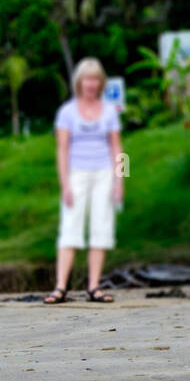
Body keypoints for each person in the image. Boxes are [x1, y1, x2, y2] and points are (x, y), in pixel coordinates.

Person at [46, 57, 122, 304]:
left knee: (101, 228)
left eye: (95, 79)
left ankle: (94, 287)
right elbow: (62, 150)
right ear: (79, 82)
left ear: (100, 83)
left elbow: (117, 148)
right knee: (70, 227)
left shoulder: (109, 112)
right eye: (87, 79)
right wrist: (65, 183)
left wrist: (120, 180)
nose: (91, 84)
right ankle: (60, 287)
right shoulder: (67, 112)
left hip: (104, 174)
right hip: (76, 173)